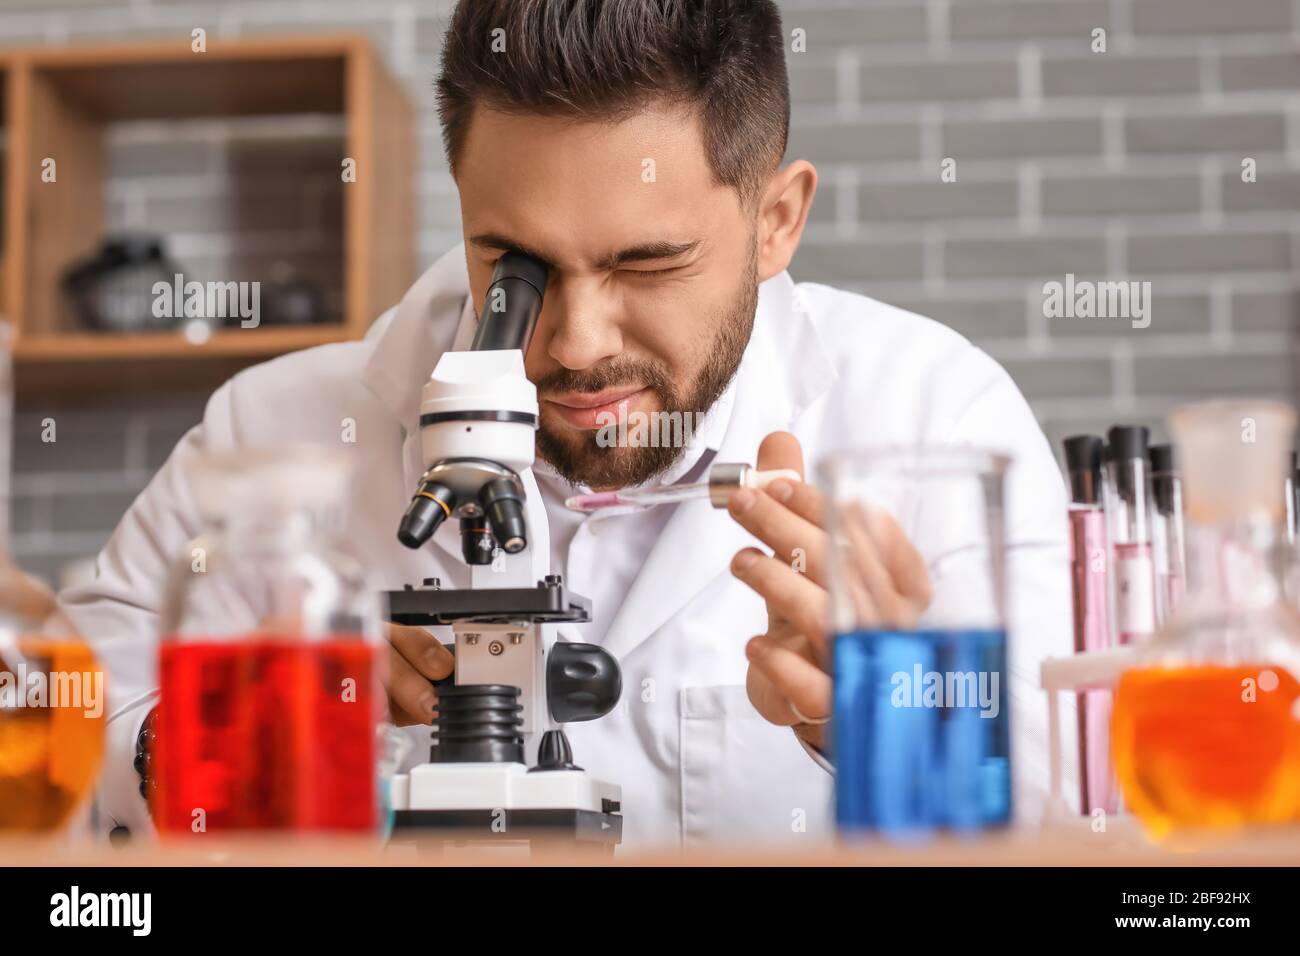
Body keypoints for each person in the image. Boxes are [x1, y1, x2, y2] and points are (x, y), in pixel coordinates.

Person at [54, 0, 1070, 847]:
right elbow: (57, 765)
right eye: (516, 264)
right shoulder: (269, 436)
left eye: (646, 264)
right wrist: (218, 736)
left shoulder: (937, 418)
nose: (575, 344)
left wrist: (887, 723)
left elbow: (1071, 811)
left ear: (776, 220)